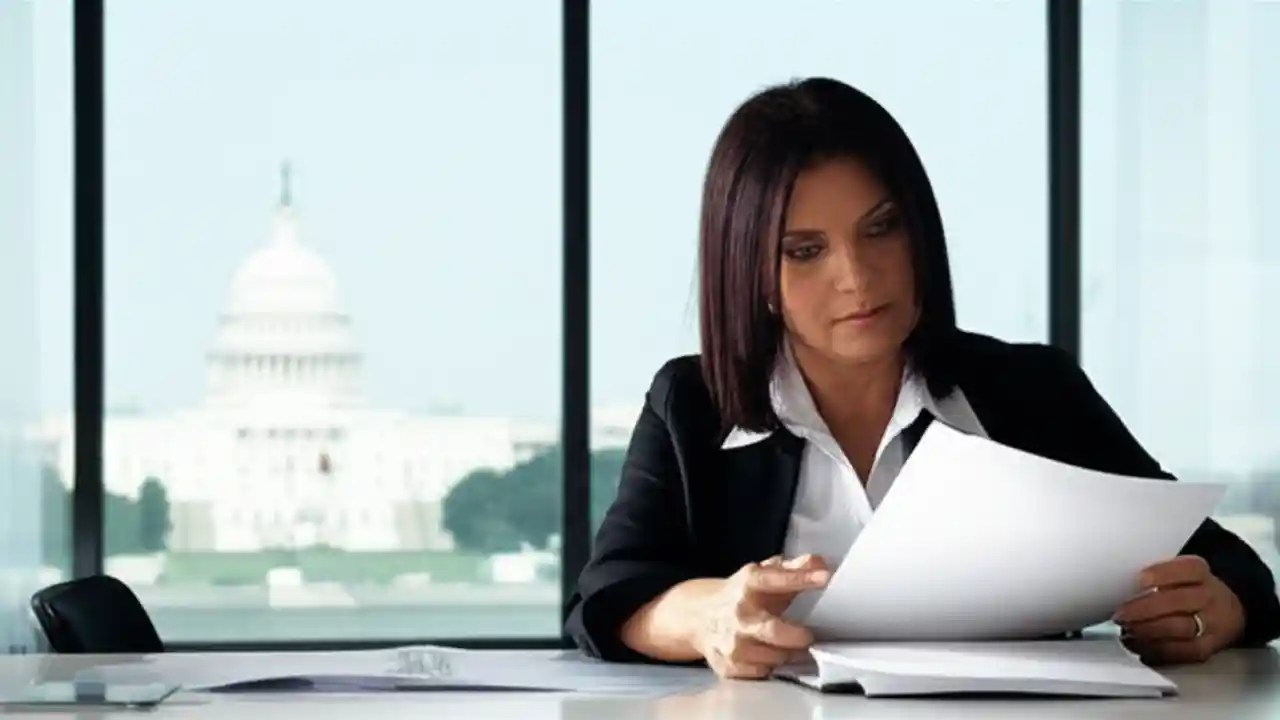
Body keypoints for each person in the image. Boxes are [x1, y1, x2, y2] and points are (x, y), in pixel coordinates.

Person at [565, 77, 1280, 679]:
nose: (857, 277)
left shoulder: (1030, 389)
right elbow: (609, 595)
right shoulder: (695, 404)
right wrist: (707, 617)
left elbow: (1229, 565)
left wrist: (1216, 608)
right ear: (753, 277)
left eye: (881, 229)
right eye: (805, 251)